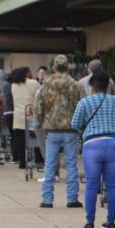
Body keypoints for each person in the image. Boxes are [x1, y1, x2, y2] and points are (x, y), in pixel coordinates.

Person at [70, 71, 115, 228]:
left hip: (93, 145)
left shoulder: (85, 102)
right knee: (113, 185)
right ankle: (111, 221)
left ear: (92, 86)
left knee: (92, 185)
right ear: (108, 85)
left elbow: (75, 123)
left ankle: (89, 222)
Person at [35, 54, 82, 209]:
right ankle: (72, 199)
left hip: (52, 129)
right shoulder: (75, 84)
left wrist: (41, 121)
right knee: (71, 164)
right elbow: (82, 105)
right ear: (67, 67)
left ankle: (47, 199)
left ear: (54, 67)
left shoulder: (46, 84)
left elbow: (39, 106)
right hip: (71, 129)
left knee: (50, 163)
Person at [10, 67, 41, 170]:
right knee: (36, 136)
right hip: (31, 113)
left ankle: (23, 161)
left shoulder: (14, 85)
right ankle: (39, 159)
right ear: (27, 73)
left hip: (18, 115)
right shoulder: (34, 83)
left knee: (20, 139)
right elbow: (39, 96)